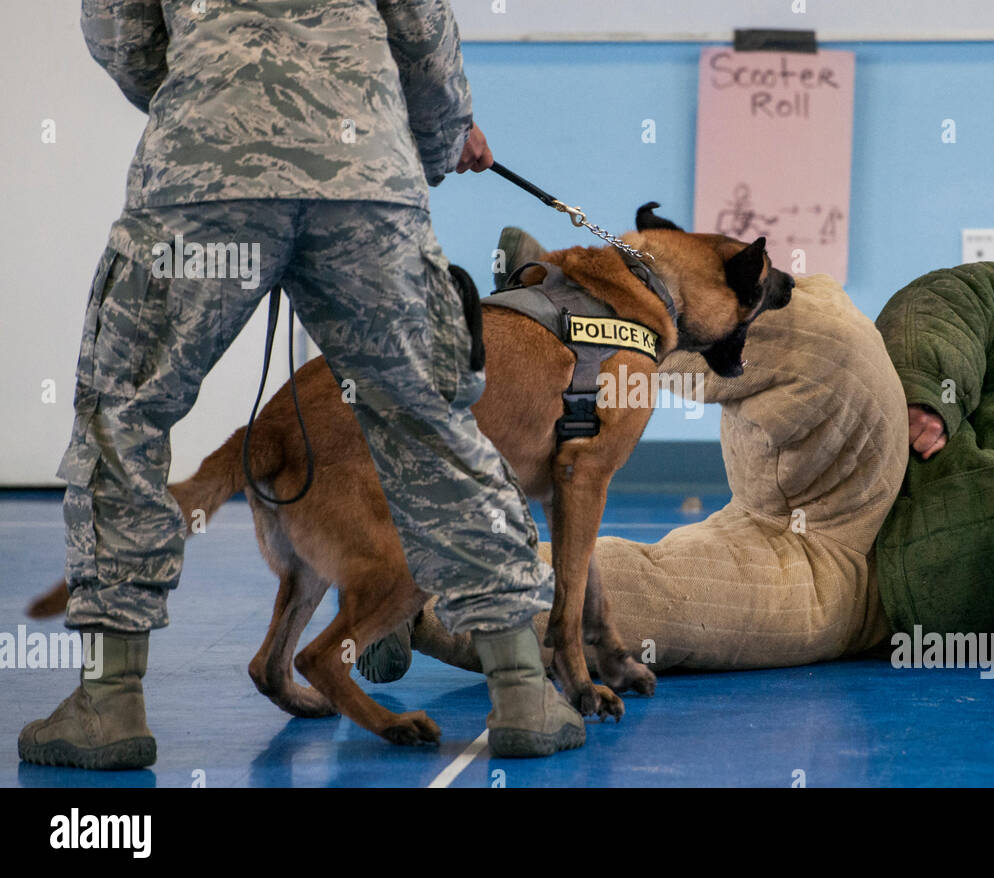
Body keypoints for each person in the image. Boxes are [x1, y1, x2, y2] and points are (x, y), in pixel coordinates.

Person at [20, 0, 581, 771]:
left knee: (124, 416)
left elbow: (118, 29)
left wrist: (212, 97)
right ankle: (522, 690)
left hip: (205, 170)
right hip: (364, 177)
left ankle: (109, 701)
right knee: (432, 420)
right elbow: (422, 26)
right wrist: (433, 140)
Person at [395, 251, 994, 676]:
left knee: (647, 611)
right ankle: (558, 339)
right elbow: (987, 294)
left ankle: (411, 593)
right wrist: (934, 390)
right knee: (822, 328)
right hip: (869, 463)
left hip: (858, 594)